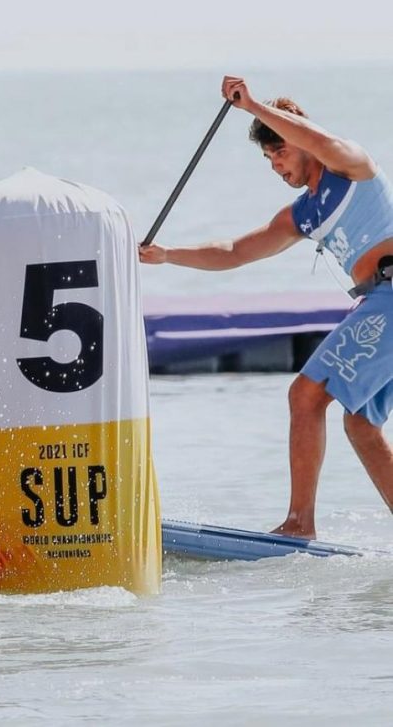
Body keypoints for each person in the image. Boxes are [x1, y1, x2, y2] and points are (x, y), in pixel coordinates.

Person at [139, 76, 393, 538]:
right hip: (379, 302)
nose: (276, 165)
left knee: (305, 396)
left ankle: (299, 525)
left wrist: (253, 105)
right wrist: (168, 254)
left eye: (280, 152)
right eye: (268, 158)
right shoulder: (302, 213)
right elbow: (235, 251)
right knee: (361, 424)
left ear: (301, 142)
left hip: (389, 299)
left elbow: (320, 139)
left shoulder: (351, 166)